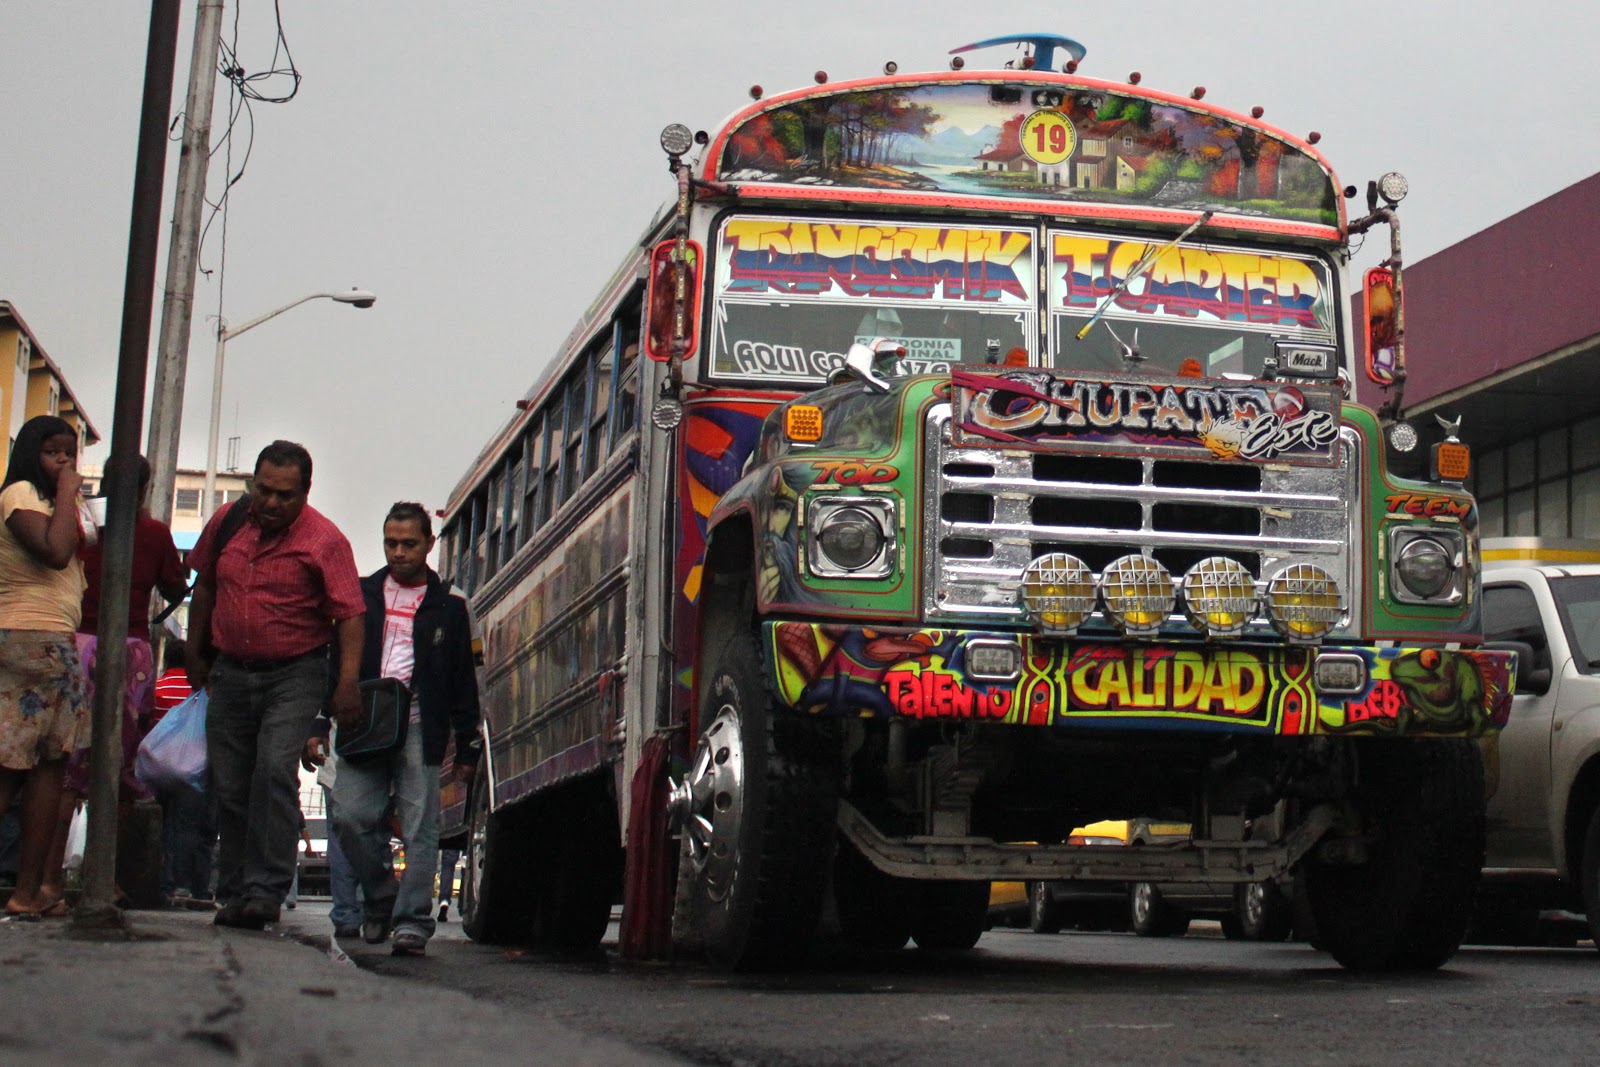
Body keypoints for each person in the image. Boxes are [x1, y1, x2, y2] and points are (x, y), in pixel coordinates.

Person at [186, 440, 364, 930]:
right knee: (231, 783)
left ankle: (266, 890)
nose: (270, 503)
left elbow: (350, 615)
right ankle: (237, 888)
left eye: (284, 496)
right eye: (262, 490)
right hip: (230, 670)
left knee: (272, 771)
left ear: (305, 493)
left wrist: (346, 683)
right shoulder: (227, 523)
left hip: (295, 673)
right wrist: (195, 652)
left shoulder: (325, 542)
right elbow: (204, 586)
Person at [306, 501, 481, 956]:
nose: (398, 552)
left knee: (421, 827)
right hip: (360, 723)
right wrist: (319, 721)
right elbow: (334, 662)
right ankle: (381, 894)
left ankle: (411, 922)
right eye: (391, 543)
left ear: (429, 545)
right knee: (348, 816)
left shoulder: (450, 607)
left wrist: (467, 748)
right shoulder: (359, 597)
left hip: (422, 726)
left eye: (409, 544)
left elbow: (463, 679)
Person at [42, 455, 188, 907]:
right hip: (130, 652)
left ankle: (47, 880)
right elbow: (175, 589)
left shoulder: (81, 520)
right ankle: (104, 877)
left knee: (65, 768)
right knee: (120, 771)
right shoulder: (154, 533)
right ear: (145, 488)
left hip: (77, 644)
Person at [0, 415, 88, 919]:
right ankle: (26, 889)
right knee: (19, 765)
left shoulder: (52, 504)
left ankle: (28, 891)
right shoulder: (19, 496)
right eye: (53, 453)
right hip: (29, 641)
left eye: (69, 454)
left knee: (45, 766)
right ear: (32, 454)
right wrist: (70, 495)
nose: (63, 462)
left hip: (53, 641)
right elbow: (55, 553)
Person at [150, 643, 214, 904]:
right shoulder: (201, 694)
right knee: (192, 829)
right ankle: (190, 886)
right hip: (194, 771)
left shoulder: (157, 689)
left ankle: (164, 884)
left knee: (163, 829)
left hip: (159, 770)